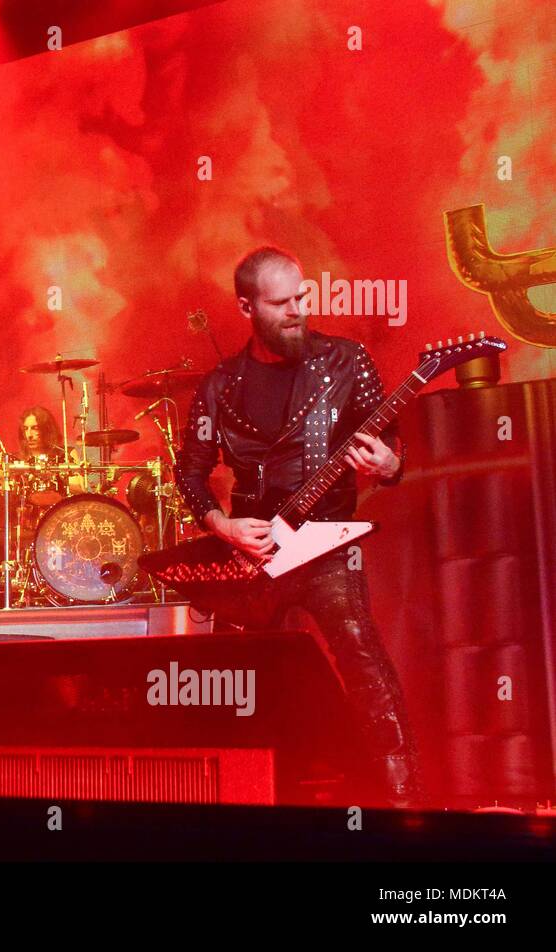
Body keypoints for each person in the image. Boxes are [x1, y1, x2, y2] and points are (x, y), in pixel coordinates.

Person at [173, 246, 424, 808]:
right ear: (246, 306)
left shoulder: (347, 362)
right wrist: (224, 525)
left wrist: (389, 466)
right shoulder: (220, 385)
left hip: (326, 544)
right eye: (281, 302)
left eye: (302, 297)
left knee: (364, 665)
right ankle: (240, 808)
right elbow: (188, 472)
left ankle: (404, 807)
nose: (298, 310)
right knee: (231, 688)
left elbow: (393, 447)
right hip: (251, 555)